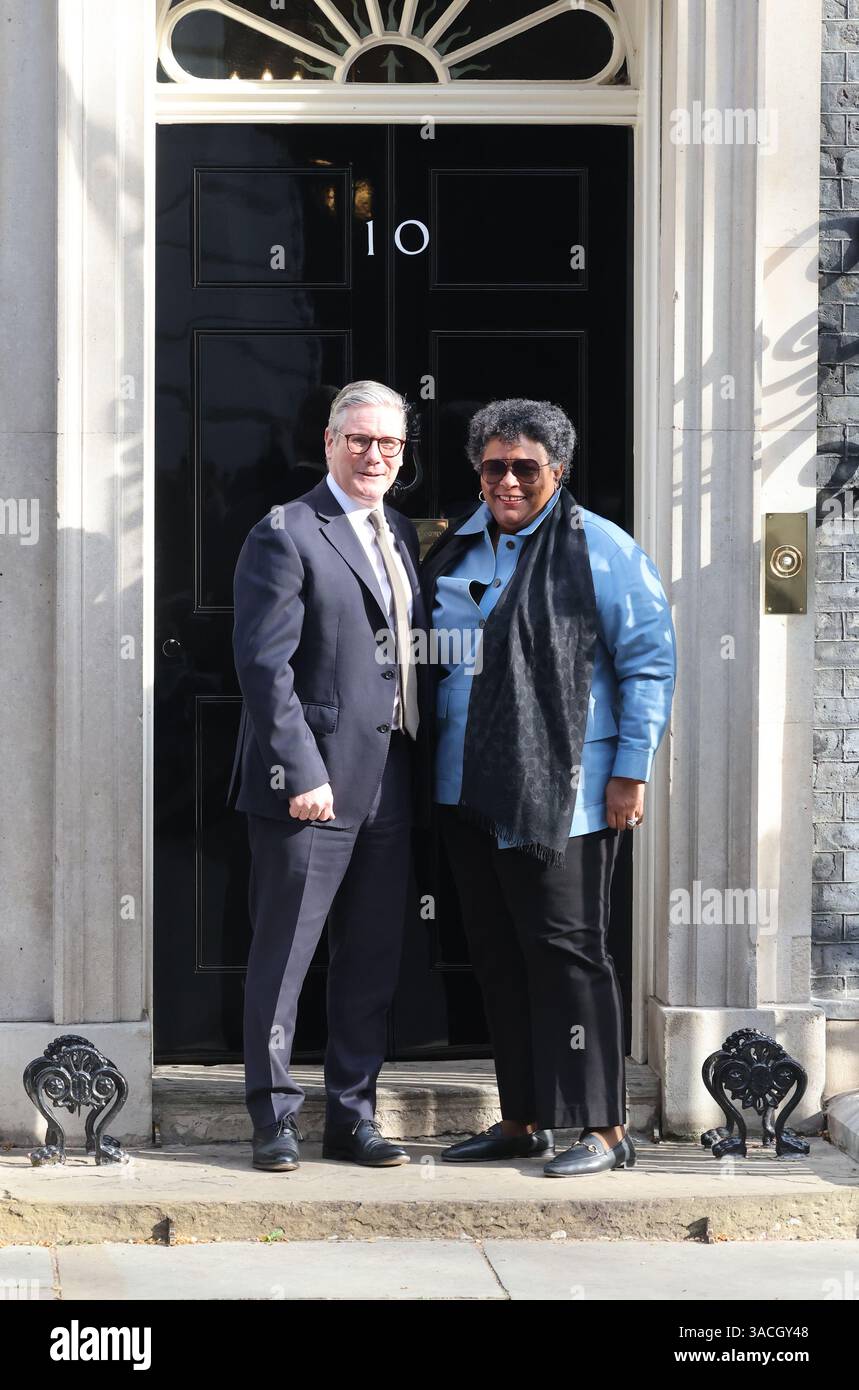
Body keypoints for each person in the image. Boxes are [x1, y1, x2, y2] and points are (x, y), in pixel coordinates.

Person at [420, 398, 676, 1177]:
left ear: (556, 472)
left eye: (524, 467)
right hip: (466, 786)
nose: (506, 480)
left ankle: (602, 1130)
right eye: (493, 466)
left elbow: (648, 663)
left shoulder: (601, 548)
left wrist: (630, 773)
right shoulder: (452, 550)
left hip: (568, 790)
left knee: (569, 954)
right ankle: (522, 1119)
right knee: (497, 956)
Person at [228, 380, 429, 1171]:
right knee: (284, 956)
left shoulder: (404, 532)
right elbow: (262, 664)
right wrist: (299, 769)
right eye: (360, 440)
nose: (374, 454)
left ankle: (352, 1116)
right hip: (309, 786)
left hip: (390, 780)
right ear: (329, 442)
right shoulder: (287, 531)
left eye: (389, 443)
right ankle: (271, 1117)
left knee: (373, 956)